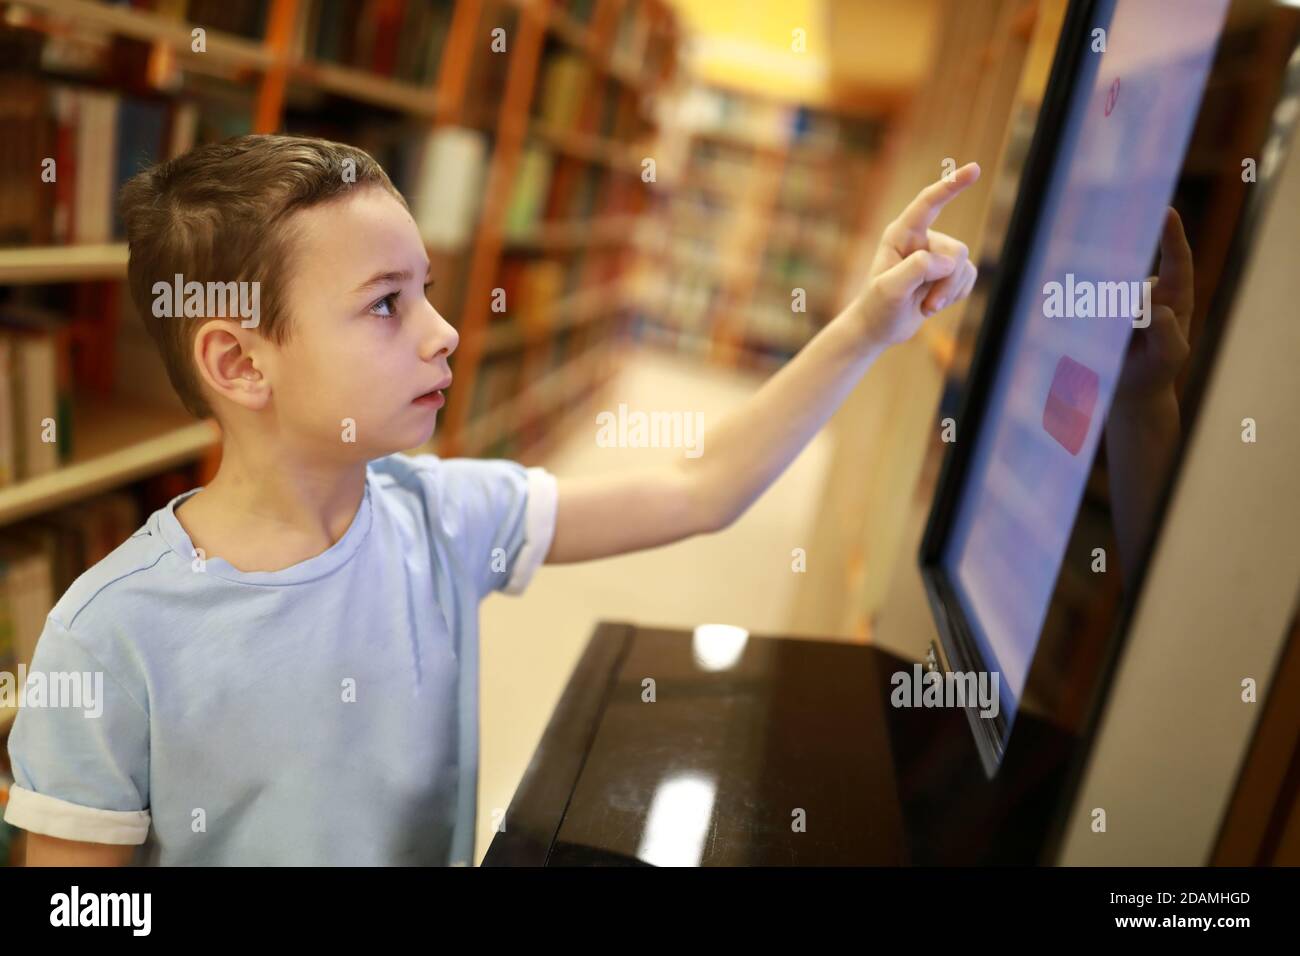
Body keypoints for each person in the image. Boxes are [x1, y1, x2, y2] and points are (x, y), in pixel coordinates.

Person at [5, 135, 980, 865]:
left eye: (427, 290)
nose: (442, 333)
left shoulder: (439, 513)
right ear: (237, 360)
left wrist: (864, 326)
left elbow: (701, 486)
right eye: (387, 303)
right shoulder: (107, 638)